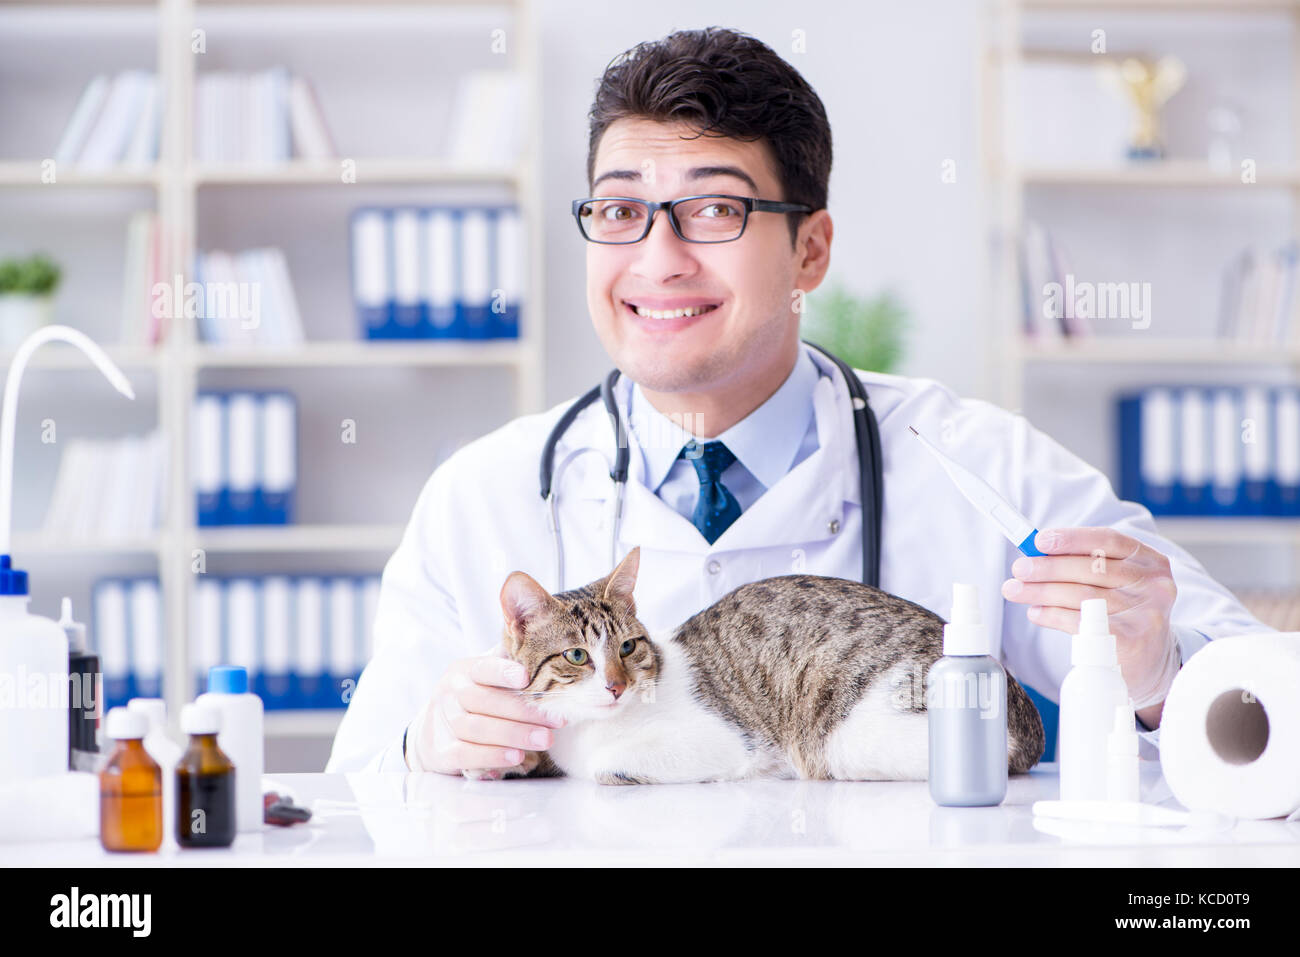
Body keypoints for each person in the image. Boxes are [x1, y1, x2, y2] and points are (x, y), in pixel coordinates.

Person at [326, 27, 1270, 775]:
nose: (658, 259)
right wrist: (424, 744)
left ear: (810, 251)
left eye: (714, 210)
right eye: (619, 212)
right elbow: (349, 792)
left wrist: (1160, 673)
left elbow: (1263, 696)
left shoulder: (977, 462)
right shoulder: (481, 492)